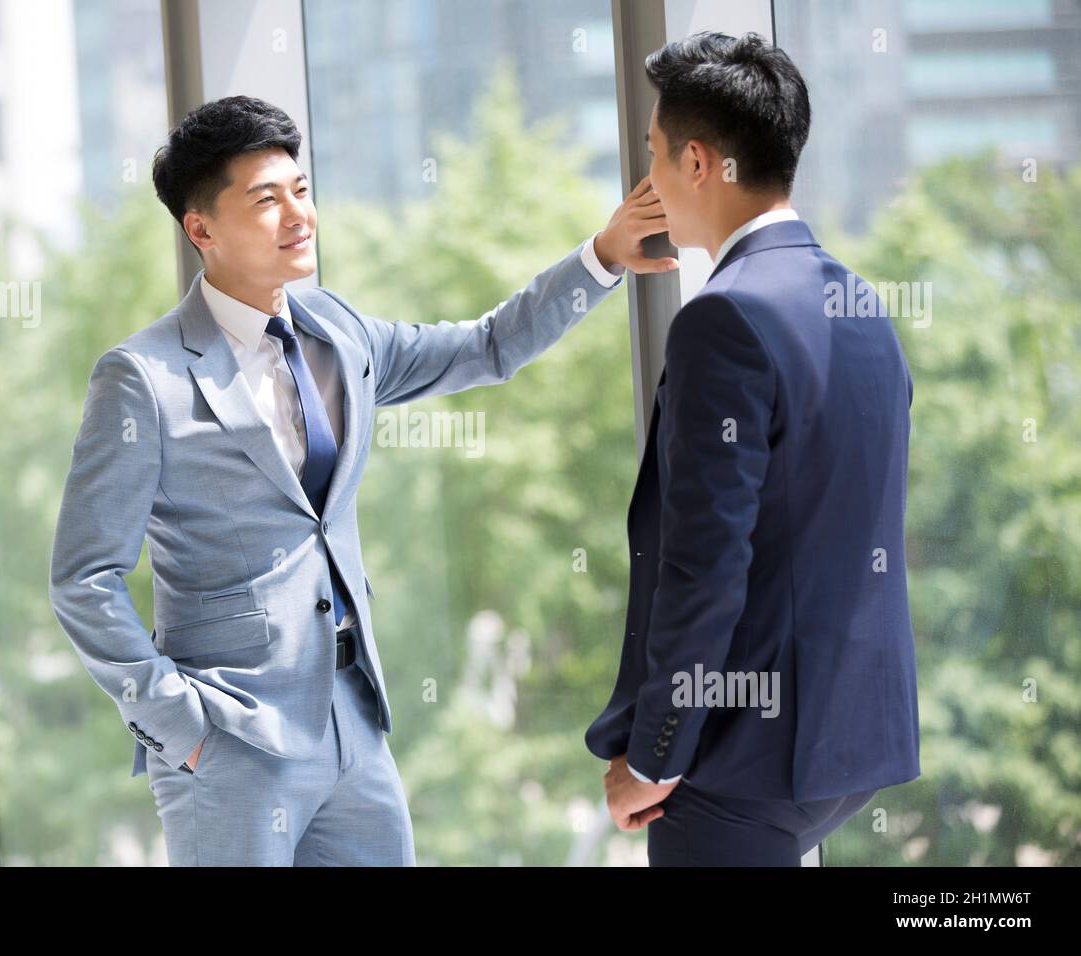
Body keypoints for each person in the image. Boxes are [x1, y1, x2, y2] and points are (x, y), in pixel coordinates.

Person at [48, 94, 675, 866]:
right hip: (231, 744)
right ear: (201, 229)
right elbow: (84, 577)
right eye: (266, 200)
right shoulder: (143, 378)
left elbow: (485, 347)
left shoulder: (336, 333)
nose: (298, 215)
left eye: (301, 191)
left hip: (353, 723)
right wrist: (181, 727)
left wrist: (603, 257)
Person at [585, 31, 921, 866]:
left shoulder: (723, 319)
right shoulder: (858, 299)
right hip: (852, 743)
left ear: (698, 164)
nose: (649, 180)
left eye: (656, 156)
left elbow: (707, 566)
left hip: (745, 763)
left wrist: (657, 756)